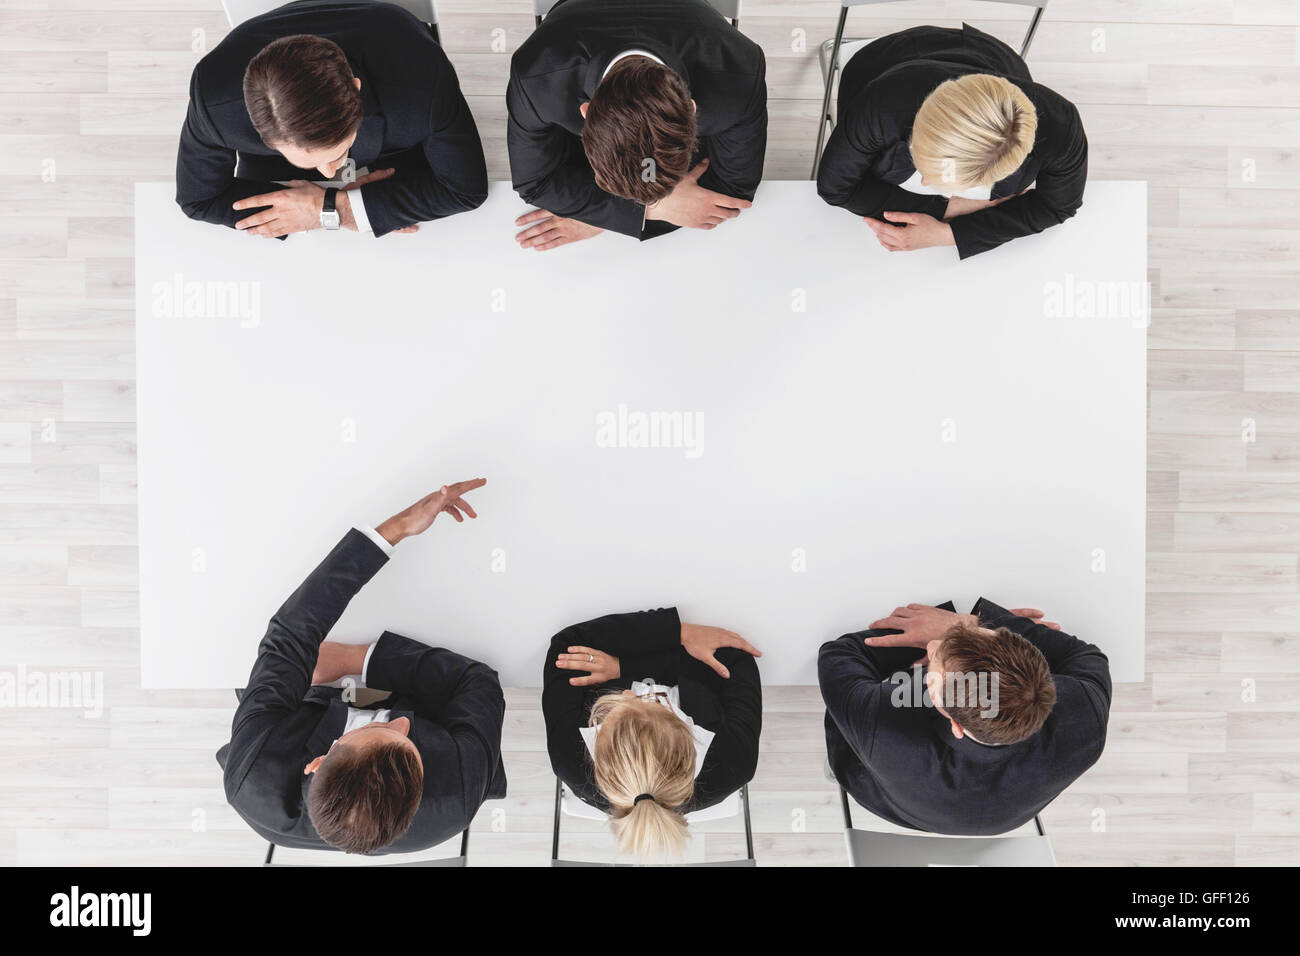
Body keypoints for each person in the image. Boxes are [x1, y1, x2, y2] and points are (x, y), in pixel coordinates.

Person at [216, 478, 507, 854]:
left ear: (317, 763)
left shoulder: (255, 770)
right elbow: (477, 682)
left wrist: (394, 530)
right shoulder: (458, 790)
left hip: (308, 706)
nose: (403, 723)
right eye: (408, 743)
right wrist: (360, 659)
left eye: (383, 731)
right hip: (412, 693)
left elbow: (290, 636)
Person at [176, 0, 487, 239]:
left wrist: (333, 209)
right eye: (314, 162)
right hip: (284, 165)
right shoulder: (214, 100)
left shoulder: (424, 83)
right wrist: (319, 209)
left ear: (356, 89)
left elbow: (465, 190)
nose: (333, 173)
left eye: (336, 154)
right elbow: (198, 201)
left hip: (393, 113)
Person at [819, 598, 1110, 835]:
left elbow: (838, 655)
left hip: (890, 800)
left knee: (846, 723)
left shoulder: (882, 726)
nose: (932, 646)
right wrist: (967, 626)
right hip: (1006, 818)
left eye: (932, 677)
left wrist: (937, 637)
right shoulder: (1087, 717)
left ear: (955, 724)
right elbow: (1085, 656)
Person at [508, 0, 767, 251]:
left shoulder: (740, 74)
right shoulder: (536, 78)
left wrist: (599, 217)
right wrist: (646, 212)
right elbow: (535, 182)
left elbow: (732, 191)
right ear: (586, 112)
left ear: (691, 108)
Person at [816, 24, 1088, 258]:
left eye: (937, 180)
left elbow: (1059, 206)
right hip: (886, 61)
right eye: (926, 169)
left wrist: (948, 234)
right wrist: (947, 207)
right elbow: (835, 186)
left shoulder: (1061, 129)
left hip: (991, 59)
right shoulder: (884, 106)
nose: (923, 183)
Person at [543, 607, 762, 860]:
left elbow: (567, 644)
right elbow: (731, 658)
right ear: (687, 730)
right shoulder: (736, 762)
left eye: (618, 708)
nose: (627, 693)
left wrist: (624, 668)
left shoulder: (569, 756)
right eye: (646, 702)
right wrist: (679, 635)